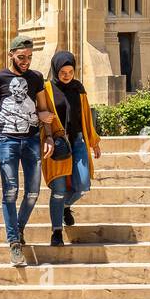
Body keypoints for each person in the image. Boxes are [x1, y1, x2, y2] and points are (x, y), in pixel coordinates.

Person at [0, 35, 52, 267]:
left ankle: (17, 229)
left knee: (32, 193)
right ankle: (14, 243)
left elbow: (44, 109)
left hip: (31, 141)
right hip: (7, 140)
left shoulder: (36, 78)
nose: (26, 62)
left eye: (29, 58)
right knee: (10, 192)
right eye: (21, 57)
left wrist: (48, 135)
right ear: (11, 54)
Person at [39, 50, 102, 247]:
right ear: (56, 70)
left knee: (83, 185)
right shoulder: (46, 89)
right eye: (63, 72)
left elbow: (86, 118)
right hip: (57, 142)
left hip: (77, 140)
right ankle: (56, 232)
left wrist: (94, 141)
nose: (66, 75)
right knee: (58, 190)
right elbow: (39, 113)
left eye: (70, 71)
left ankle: (65, 206)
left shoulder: (79, 89)